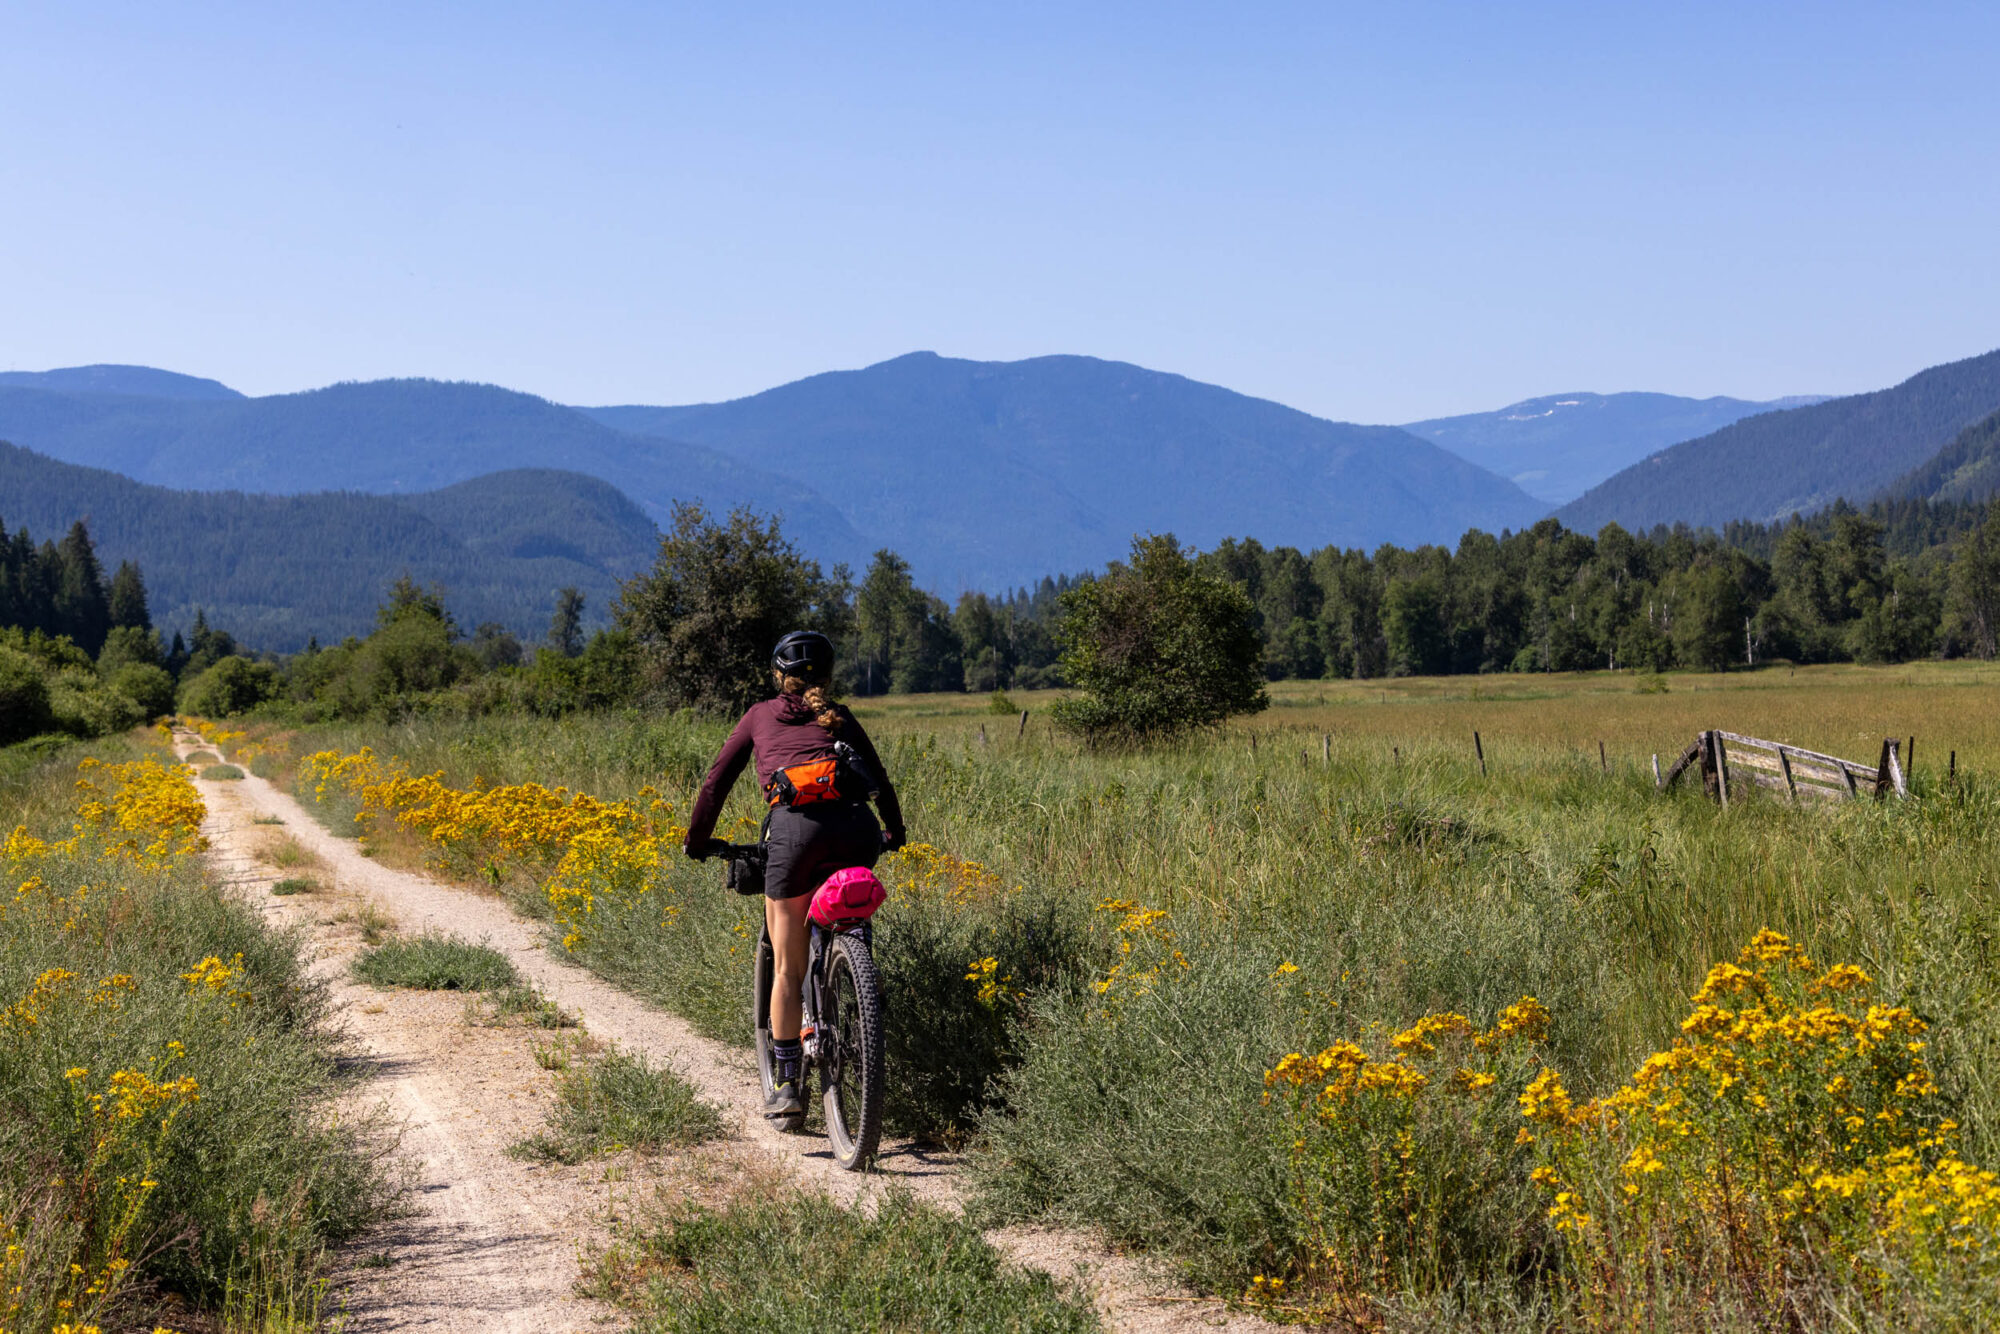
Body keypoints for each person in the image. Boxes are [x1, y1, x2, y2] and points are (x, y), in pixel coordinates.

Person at [683, 630, 905, 1117]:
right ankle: (858, 979)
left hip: (794, 839)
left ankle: (787, 1086)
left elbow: (716, 782)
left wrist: (697, 840)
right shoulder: (839, 716)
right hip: (856, 831)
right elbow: (879, 780)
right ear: (827, 677)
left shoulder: (759, 715)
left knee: (788, 967)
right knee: (848, 908)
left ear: (778, 677)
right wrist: (896, 831)